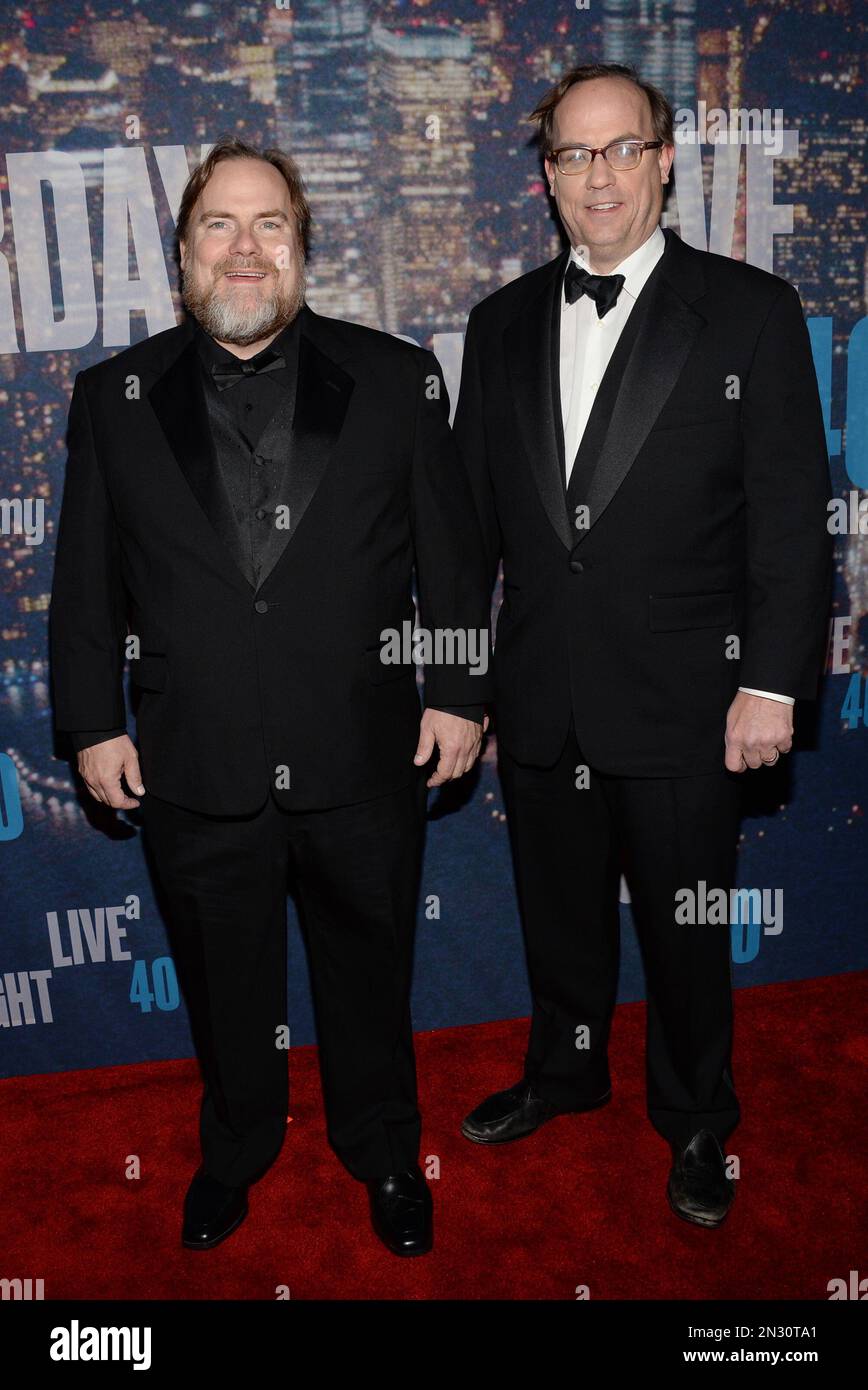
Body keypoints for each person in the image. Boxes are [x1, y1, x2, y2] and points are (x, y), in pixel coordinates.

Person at [50, 137, 492, 1257]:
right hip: (193, 761)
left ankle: (387, 1148)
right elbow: (84, 578)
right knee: (222, 980)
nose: (245, 249)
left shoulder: (395, 377)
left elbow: (449, 554)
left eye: (271, 226)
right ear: (183, 253)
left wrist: (458, 691)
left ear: (303, 249)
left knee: (369, 971)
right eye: (220, 225)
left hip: (364, 752)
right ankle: (238, 1145)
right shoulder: (114, 395)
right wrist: (94, 719)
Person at [453, 64, 832, 1227]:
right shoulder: (500, 319)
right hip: (539, 698)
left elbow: (787, 514)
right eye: (573, 155)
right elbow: (469, 532)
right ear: (547, 177)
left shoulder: (750, 309)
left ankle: (697, 1119)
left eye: (621, 149)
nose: (598, 175)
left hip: (689, 696)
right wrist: (461, 685)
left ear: (666, 159)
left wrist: (771, 680)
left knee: (686, 934)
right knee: (560, 918)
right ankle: (566, 1071)